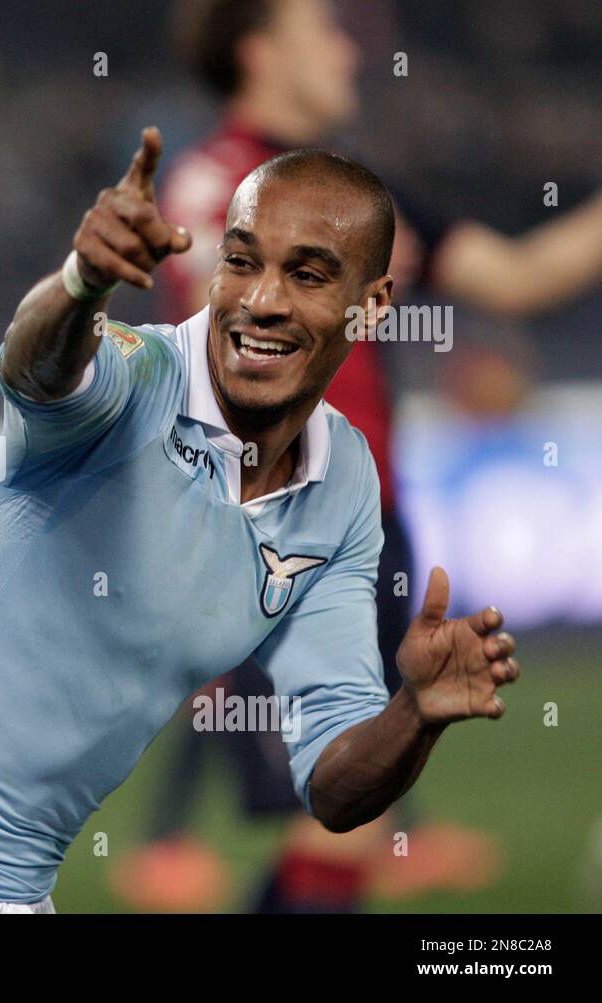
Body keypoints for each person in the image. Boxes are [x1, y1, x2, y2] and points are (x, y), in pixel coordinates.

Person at [0, 130, 520, 914]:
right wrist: (82, 281)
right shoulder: (138, 380)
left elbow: (335, 790)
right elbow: (36, 366)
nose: (261, 300)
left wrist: (415, 712)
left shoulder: (338, 491)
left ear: (372, 307)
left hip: (10, 893)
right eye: (241, 260)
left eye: (306, 273)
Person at [114, 0, 602, 913]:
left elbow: (519, 274)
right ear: (262, 52)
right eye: (322, 31)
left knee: (347, 826)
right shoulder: (213, 187)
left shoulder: (363, 198)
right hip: (272, 527)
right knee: (336, 814)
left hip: (373, 528)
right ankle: (167, 848)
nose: (348, 49)